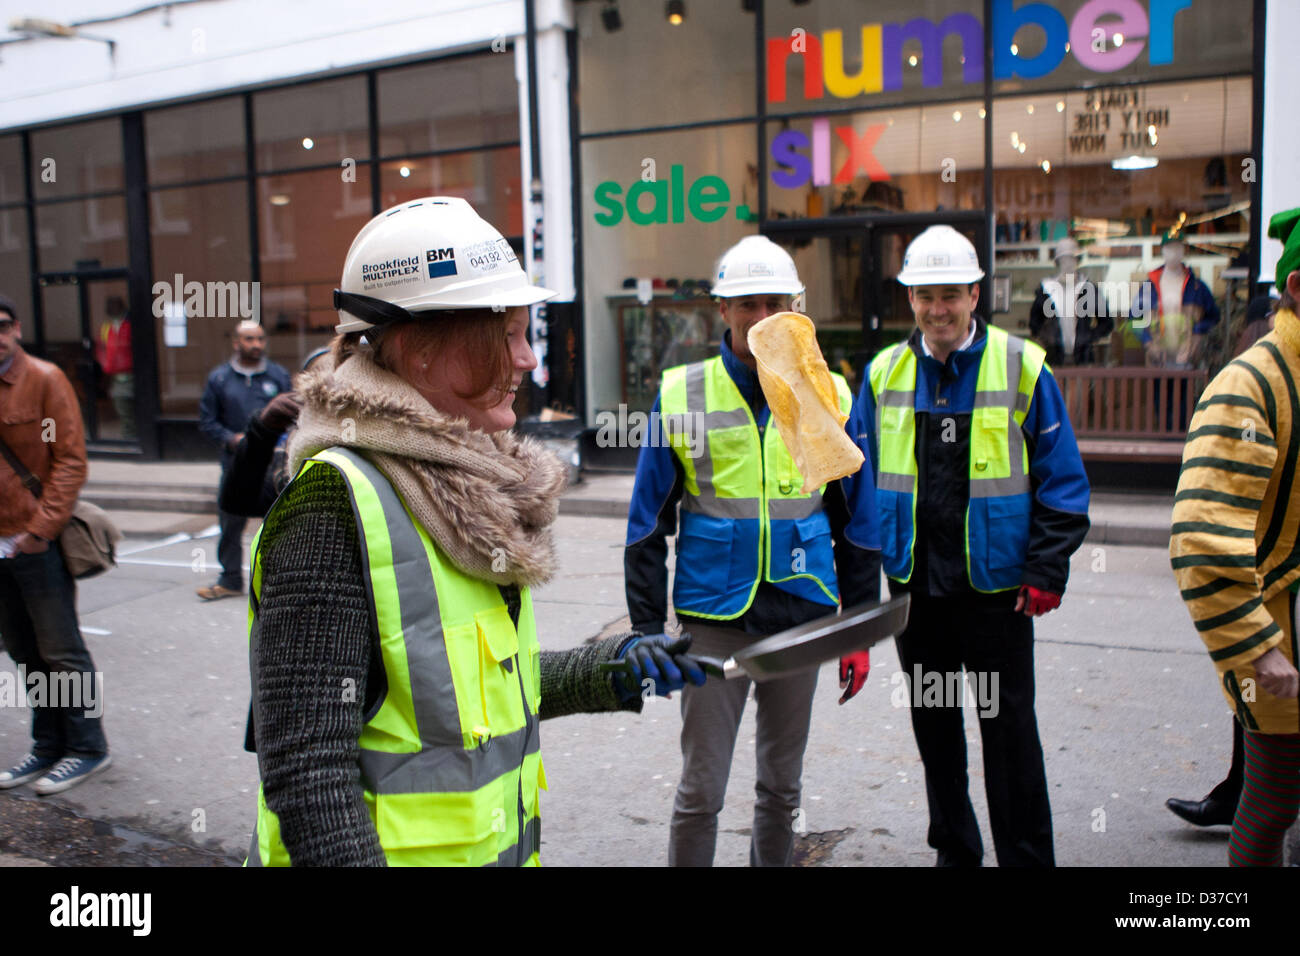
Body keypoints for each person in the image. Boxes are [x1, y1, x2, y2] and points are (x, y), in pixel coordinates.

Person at [244, 197, 708, 866]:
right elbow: (309, 777)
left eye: (529, 335)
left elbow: (468, 698)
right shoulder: (332, 506)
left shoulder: (461, 488)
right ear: (422, 352)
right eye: (509, 335)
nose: (529, 361)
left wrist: (612, 669)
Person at [624, 235, 882, 868]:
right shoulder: (682, 394)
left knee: (781, 788)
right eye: (748, 304)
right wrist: (644, 630)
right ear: (723, 311)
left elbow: (857, 521)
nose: (762, 317)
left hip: (803, 613)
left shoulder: (828, 394)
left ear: (794, 312)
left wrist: (856, 628)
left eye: (775, 303)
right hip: (716, 621)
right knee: (701, 790)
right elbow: (645, 526)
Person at [848, 225, 1090, 866]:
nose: (938, 309)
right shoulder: (883, 375)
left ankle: (1028, 859)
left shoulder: (1023, 366)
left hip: (997, 596)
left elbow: (1063, 481)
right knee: (936, 734)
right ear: (909, 300)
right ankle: (955, 852)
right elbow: (856, 491)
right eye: (925, 296)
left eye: (950, 294)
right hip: (918, 595)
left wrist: (1046, 568)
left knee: (1009, 736)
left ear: (975, 294)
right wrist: (858, 598)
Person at [1169, 206, 1300, 866]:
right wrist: (1257, 648)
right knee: (1275, 801)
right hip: (1284, 652)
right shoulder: (1250, 384)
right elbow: (1201, 534)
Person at [0, 294, 112, 795]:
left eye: (1, 325)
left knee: (61, 650)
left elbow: (69, 461)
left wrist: (38, 532)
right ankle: (46, 747)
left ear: (17, 327)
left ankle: (88, 748)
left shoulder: (44, 379)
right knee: (23, 651)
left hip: (33, 542)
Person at [196, 320, 292, 601]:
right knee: (230, 521)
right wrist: (230, 438)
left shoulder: (278, 375)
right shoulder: (219, 379)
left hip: (272, 464)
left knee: (277, 522)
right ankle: (230, 579)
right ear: (236, 343)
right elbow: (207, 421)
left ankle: (277, 580)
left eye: (260, 339)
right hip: (235, 464)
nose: (256, 345)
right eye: (249, 339)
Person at [1028, 237, 1113, 367]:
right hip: (1054, 359)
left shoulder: (1087, 288)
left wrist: (1088, 337)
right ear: (1058, 262)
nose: (1067, 264)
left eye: (1071, 259)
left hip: (1083, 358)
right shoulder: (1047, 289)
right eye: (1064, 260)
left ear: (1077, 261)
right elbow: (1034, 323)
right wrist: (1048, 338)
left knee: (1081, 387)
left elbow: (1107, 323)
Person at [95, 295, 134, 440]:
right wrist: (105, 364)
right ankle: (129, 437)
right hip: (116, 375)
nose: (112, 309)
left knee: (132, 408)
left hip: (132, 373)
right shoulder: (107, 327)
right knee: (122, 407)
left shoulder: (130, 324)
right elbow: (102, 348)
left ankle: (132, 437)